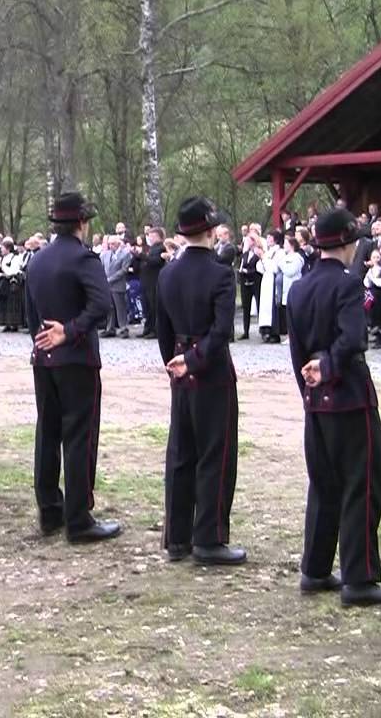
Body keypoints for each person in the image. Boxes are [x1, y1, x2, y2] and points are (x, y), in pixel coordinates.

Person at [287, 207, 381, 607]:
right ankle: (360, 577)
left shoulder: (298, 288)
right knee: (362, 483)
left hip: (316, 399)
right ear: (349, 243)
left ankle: (315, 569)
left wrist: (309, 383)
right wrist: (331, 367)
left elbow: (296, 349)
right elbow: (353, 339)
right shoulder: (348, 285)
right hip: (349, 395)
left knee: (324, 484)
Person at [24, 192, 121, 543]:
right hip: (76, 358)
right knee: (78, 437)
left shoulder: (37, 260)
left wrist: (44, 336)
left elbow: (30, 311)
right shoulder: (84, 259)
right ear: (81, 223)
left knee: (47, 434)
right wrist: (70, 330)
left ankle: (50, 510)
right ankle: (79, 518)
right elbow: (102, 305)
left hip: (43, 357)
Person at [155, 199, 244, 566]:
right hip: (210, 371)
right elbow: (221, 330)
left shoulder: (167, 274)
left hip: (179, 366)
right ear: (209, 231)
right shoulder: (221, 273)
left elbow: (162, 330)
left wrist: (175, 364)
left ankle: (177, 537)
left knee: (181, 453)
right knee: (215, 453)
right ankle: (209, 538)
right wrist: (194, 362)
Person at [100, 234, 132, 338]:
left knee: (120, 307)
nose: (110, 246)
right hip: (107, 285)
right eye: (109, 244)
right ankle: (110, 328)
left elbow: (123, 270)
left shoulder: (125, 254)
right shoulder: (105, 254)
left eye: (113, 244)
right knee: (109, 308)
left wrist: (110, 279)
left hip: (118, 285)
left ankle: (123, 328)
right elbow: (102, 267)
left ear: (118, 244)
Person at [138, 227, 166, 338]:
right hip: (146, 280)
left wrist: (142, 255)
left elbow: (156, 261)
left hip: (154, 280)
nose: (150, 238)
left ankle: (155, 330)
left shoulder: (161, 248)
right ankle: (147, 328)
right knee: (147, 307)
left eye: (152, 236)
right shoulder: (151, 248)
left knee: (154, 306)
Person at [237, 231, 263, 341]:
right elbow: (241, 266)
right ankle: (245, 331)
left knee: (259, 305)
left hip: (255, 282)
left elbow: (259, 268)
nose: (247, 242)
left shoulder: (258, 253)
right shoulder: (245, 254)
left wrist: (247, 271)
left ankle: (262, 330)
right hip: (245, 283)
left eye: (249, 240)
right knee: (246, 307)